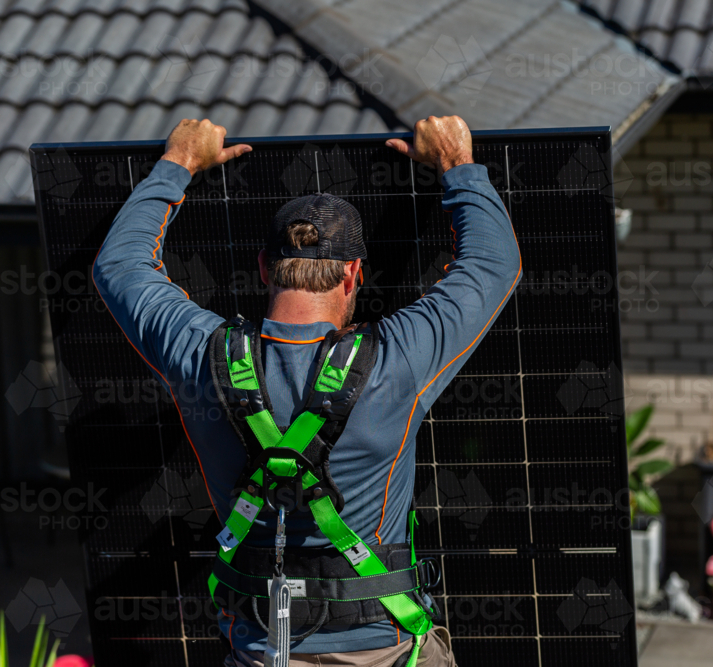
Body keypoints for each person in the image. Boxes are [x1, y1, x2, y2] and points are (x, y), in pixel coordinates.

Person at [92, 115, 521, 666]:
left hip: (260, 651)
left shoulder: (201, 356)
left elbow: (120, 266)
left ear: (265, 267)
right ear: (353, 276)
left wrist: (178, 163)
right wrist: (457, 163)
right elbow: (492, 263)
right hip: (384, 653)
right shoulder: (397, 360)